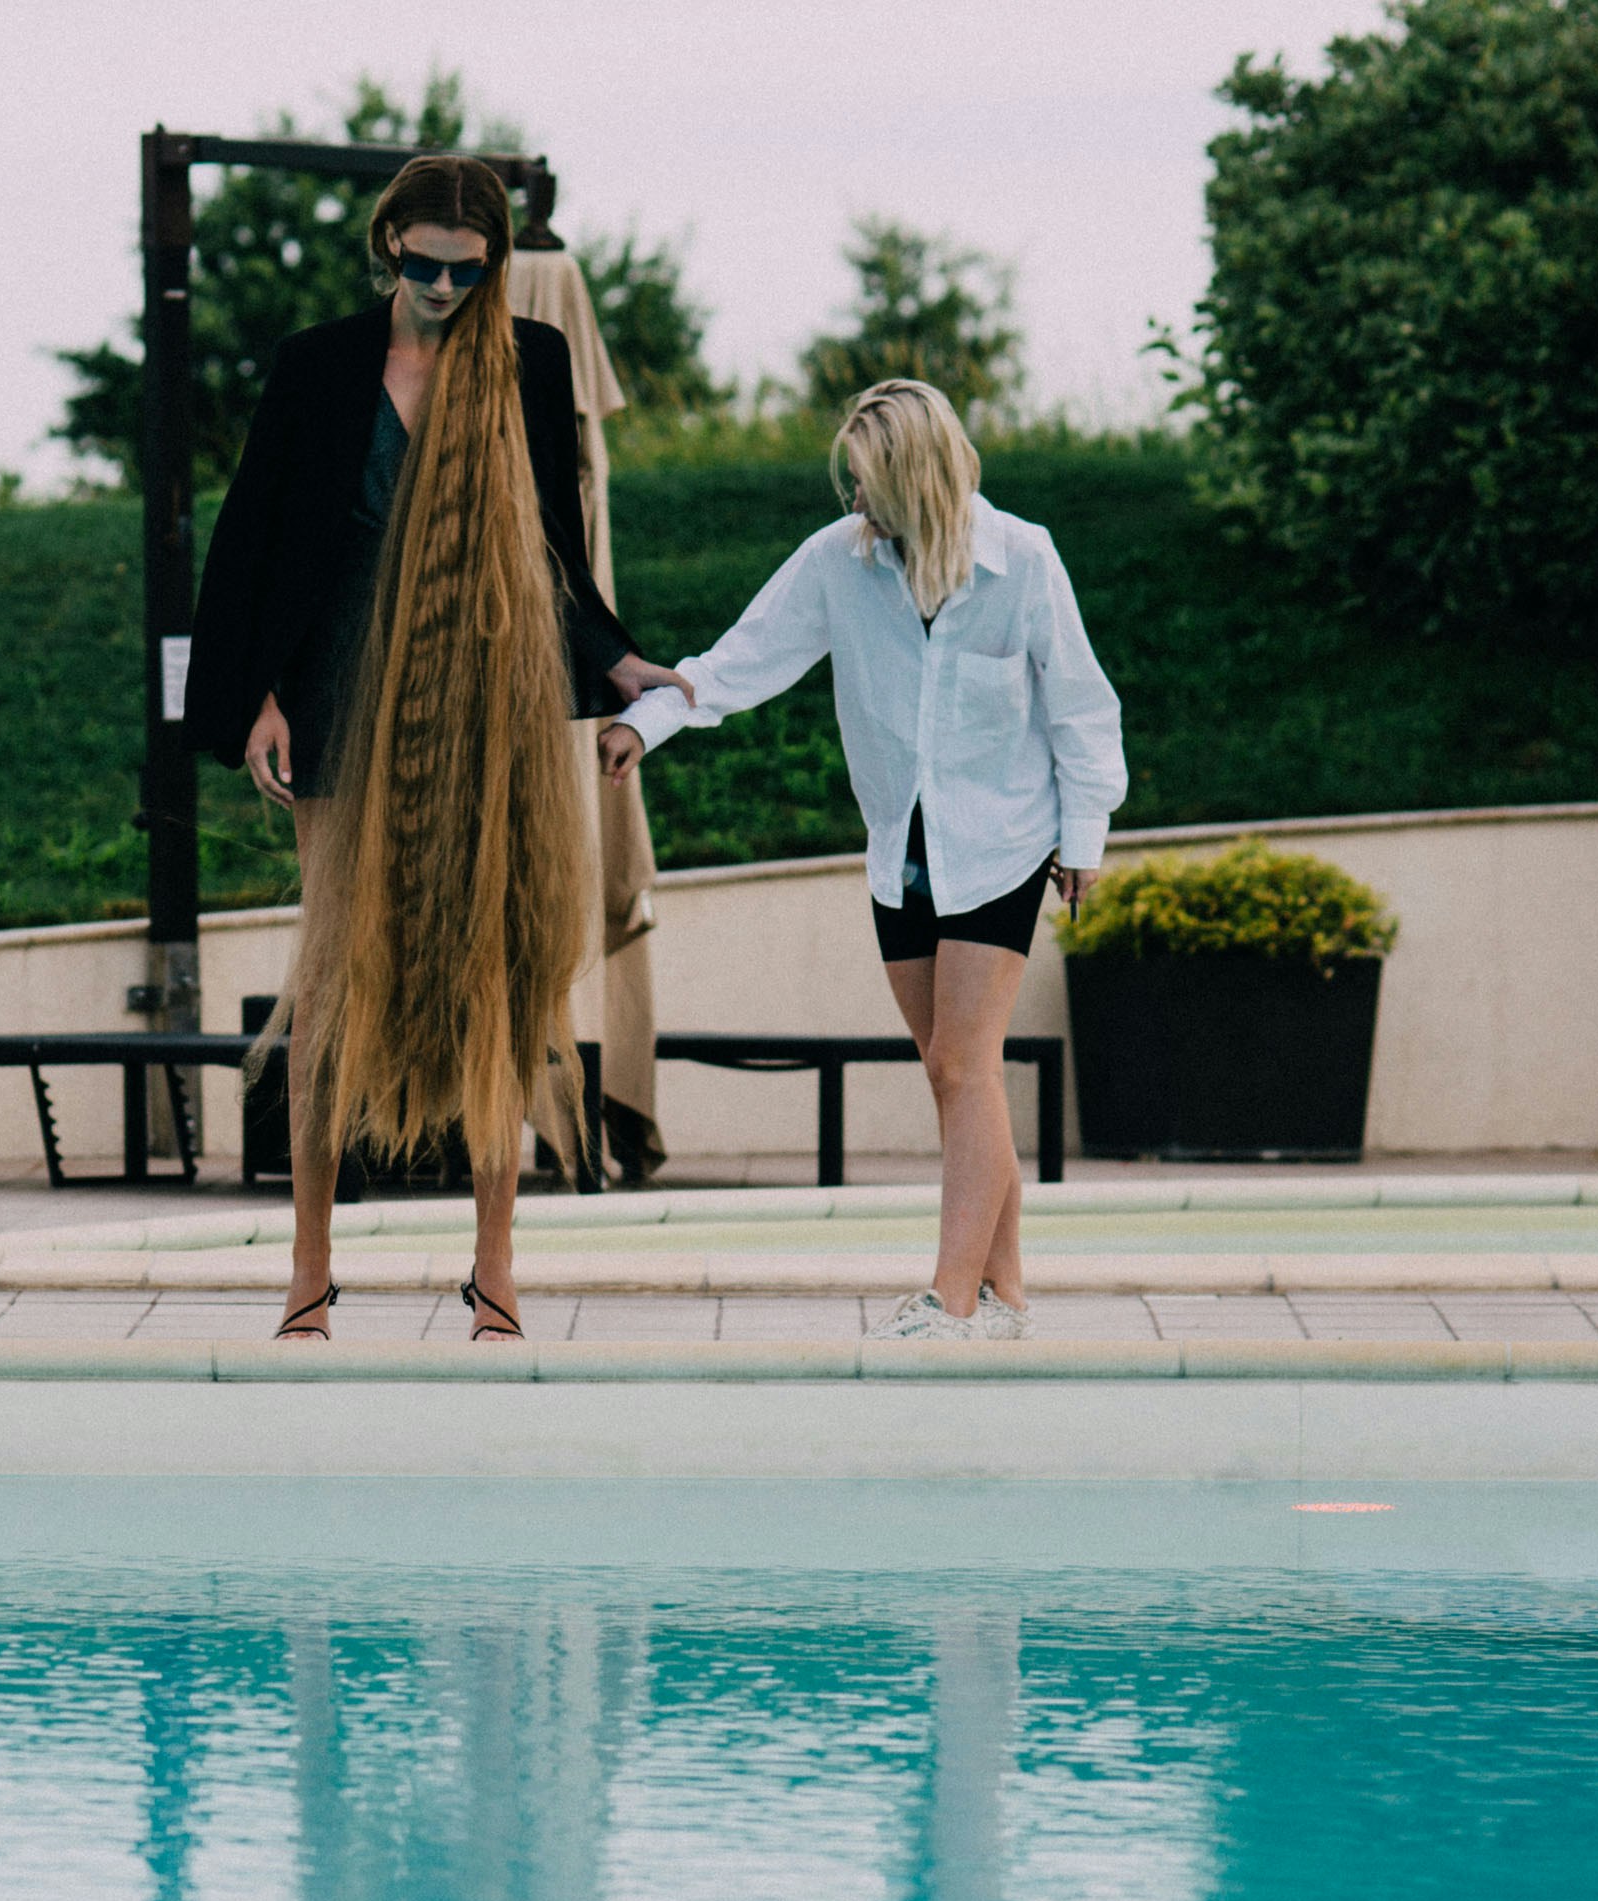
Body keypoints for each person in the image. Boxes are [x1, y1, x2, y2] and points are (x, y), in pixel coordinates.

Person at [184, 155, 692, 1341]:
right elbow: (251, 536)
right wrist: (256, 692)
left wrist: (622, 664)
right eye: (423, 266)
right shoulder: (318, 367)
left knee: (497, 971)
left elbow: (557, 553)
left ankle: (496, 1270)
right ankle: (308, 1272)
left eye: (470, 271)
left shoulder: (531, 359)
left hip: (491, 694)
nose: (446, 288)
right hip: (336, 694)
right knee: (329, 977)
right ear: (386, 247)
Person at [603, 382, 1126, 1338]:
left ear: (918, 481)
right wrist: (647, 723)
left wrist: (1083, 839)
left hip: (1005, 845)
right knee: (951, 1071)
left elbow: (1082, 710)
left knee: (964, 1066)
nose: (855, 506)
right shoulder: (838, 563)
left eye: (869, 487)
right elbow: (740, 660)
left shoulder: (1025, 561)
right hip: (902, 851)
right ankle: (1007, 1298)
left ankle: (949, 1301)